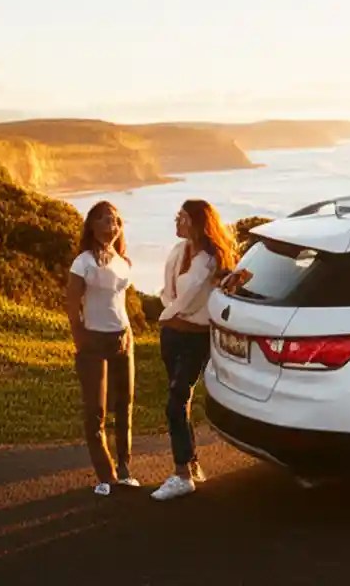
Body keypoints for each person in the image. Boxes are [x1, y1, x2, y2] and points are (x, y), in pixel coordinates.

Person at [150, 199, 237, 501]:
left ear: (198, 223)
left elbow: (186, 299)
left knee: (175, 402)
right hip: (171, 334)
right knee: (180, 400)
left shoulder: (211, 261)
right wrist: (169, 315)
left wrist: (169, 313)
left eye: (183, 218)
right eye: (177, 216)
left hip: (194, 339)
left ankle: (181, 474)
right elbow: (168, 292)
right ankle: (191, 461)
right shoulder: (179, 251)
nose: (177, 221)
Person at [65, 201, 138, 496]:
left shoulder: (123, 261)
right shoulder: (82, 262)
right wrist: (79, 337)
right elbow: (72, 305)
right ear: (92, 225)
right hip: (93, 340)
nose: (113, 225)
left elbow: (118, 301)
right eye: (107, 220)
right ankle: (105, 476)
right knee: (96, 411)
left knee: (125, 406)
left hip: (123, 337)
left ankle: (124, 470)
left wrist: (129, 334)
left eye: (117, 221)